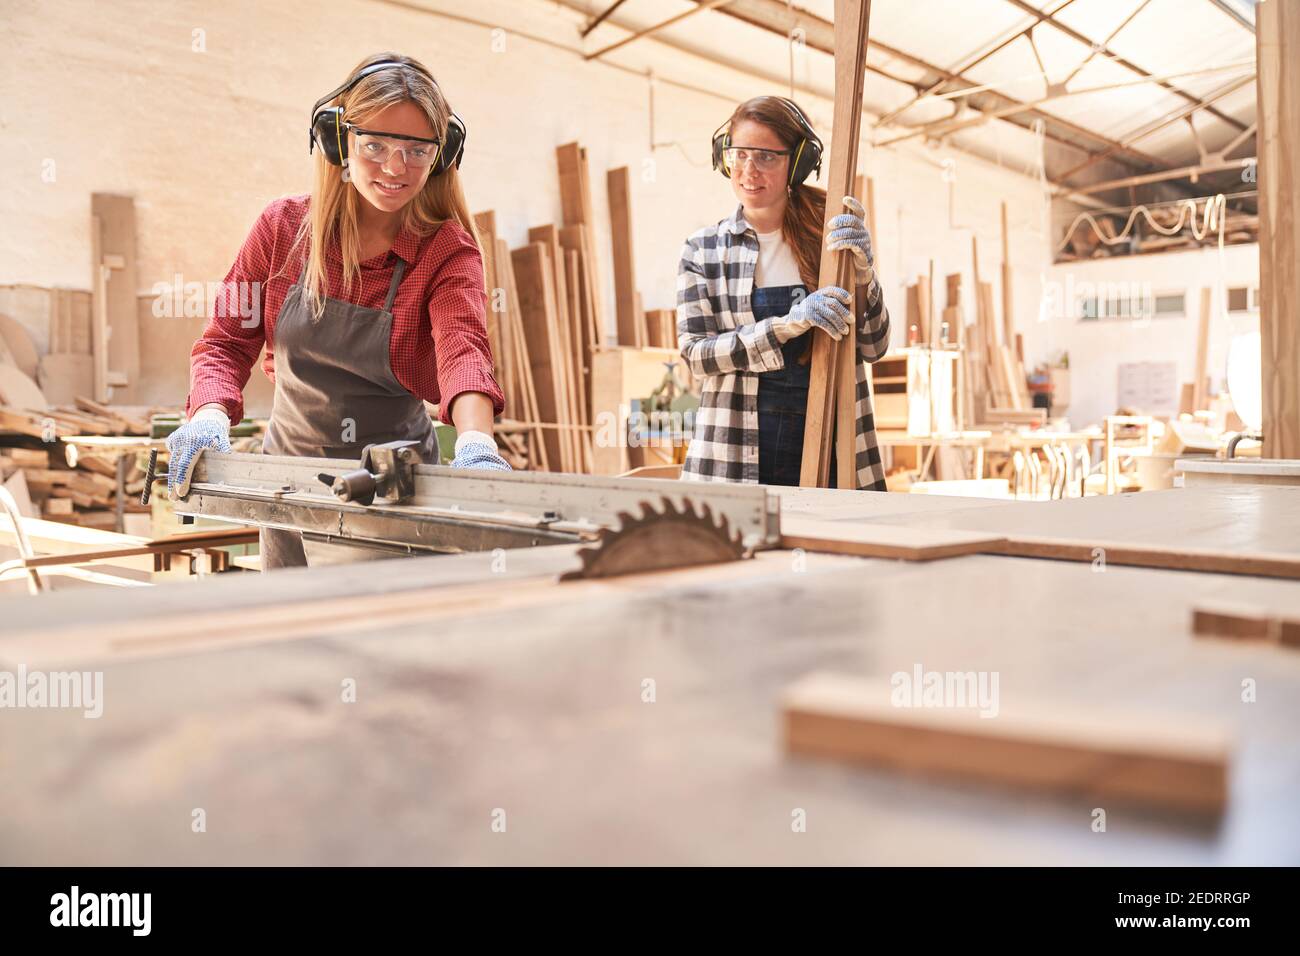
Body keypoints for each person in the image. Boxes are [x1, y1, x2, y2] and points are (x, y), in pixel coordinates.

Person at [166, 53, 508, 568]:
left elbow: (463, 351)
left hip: (395, 490)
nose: (396, 168)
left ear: (442, 155)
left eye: (417, 150)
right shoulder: (281, 230)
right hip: (286, 486)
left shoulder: (446, 250)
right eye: (375, 145)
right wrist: (209, 416)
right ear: (337, 140)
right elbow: (225, 341)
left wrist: (477, 444)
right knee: (294, 634)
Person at [676, 95, 890, 489]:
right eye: (739, 155)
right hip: (735, 454)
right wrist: (786, 326)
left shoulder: (830, 239)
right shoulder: (703, 250)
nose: (748, 170)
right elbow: (697, 357)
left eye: (766, 157)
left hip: (831, 444)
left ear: (798, 163)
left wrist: (864, 274)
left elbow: (874, 347)